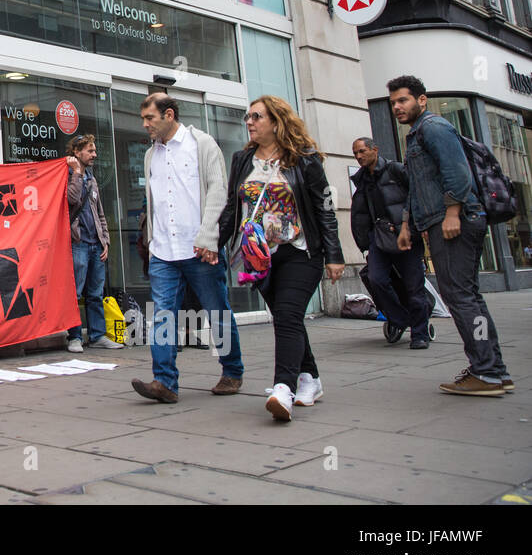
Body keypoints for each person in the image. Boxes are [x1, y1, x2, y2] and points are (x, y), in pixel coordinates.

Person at [219, 96, 343, 422]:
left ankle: (283, 389)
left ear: (276, 121)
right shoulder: (242, 159)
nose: (250, 122)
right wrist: (212, 244)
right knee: (288, 319)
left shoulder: (304, 160)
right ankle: (310, 379)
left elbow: (324, 210)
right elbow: (233, 208)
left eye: (257, 117)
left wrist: (335, 255)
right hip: (260, 257)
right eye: (248, 117)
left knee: (287, 316)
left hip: (301, 252)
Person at [388, 76, 512, 395]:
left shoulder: (433, 128)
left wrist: (453, 212)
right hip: (440, 219)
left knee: (460, 295)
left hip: (455, 219)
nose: (397, 107)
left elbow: (457, 172)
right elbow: (416, 187)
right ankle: (493, 369)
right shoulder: (416, 136)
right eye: (393, 103)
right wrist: (407, 226)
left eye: (403, 100)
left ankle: (487, 372)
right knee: (467, 295)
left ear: (422, 100)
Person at [131, 94, 244, 404]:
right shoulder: (150, 154)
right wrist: (152, 242)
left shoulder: (202, 144)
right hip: (164, 252)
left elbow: (219, 193)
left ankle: (232, 370)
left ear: (169, 115)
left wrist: (209, 239)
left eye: (150, 118)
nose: (145, 124)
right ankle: (164, 382)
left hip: (199, 249)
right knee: (163, 316)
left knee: (216, 311)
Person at [350, 136, 431, 348]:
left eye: (362, 151)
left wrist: (413, 227)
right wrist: (365, 241)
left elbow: (417, 195)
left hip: (405, 234)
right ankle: (402, 319)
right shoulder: (361, 180)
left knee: (414, 286)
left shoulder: (395, 170)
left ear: (374, 150)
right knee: (376, 279)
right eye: (355, 153)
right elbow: (361, 213)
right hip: (378, 237)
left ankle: (420, 333)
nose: (358, 157)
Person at [64, 134, 121, 352]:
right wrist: (77, 173)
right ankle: (75, 337)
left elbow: (100, 213)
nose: (94, 155)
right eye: (90, 151)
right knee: (75, 292)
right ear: (77, 152)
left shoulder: (92, 178)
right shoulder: (69, 175)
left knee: (95, 293)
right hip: (77, 243)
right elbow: (71, 200)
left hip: (95, 244)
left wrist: (105, 240)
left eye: (94, 150)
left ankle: (97, 335)